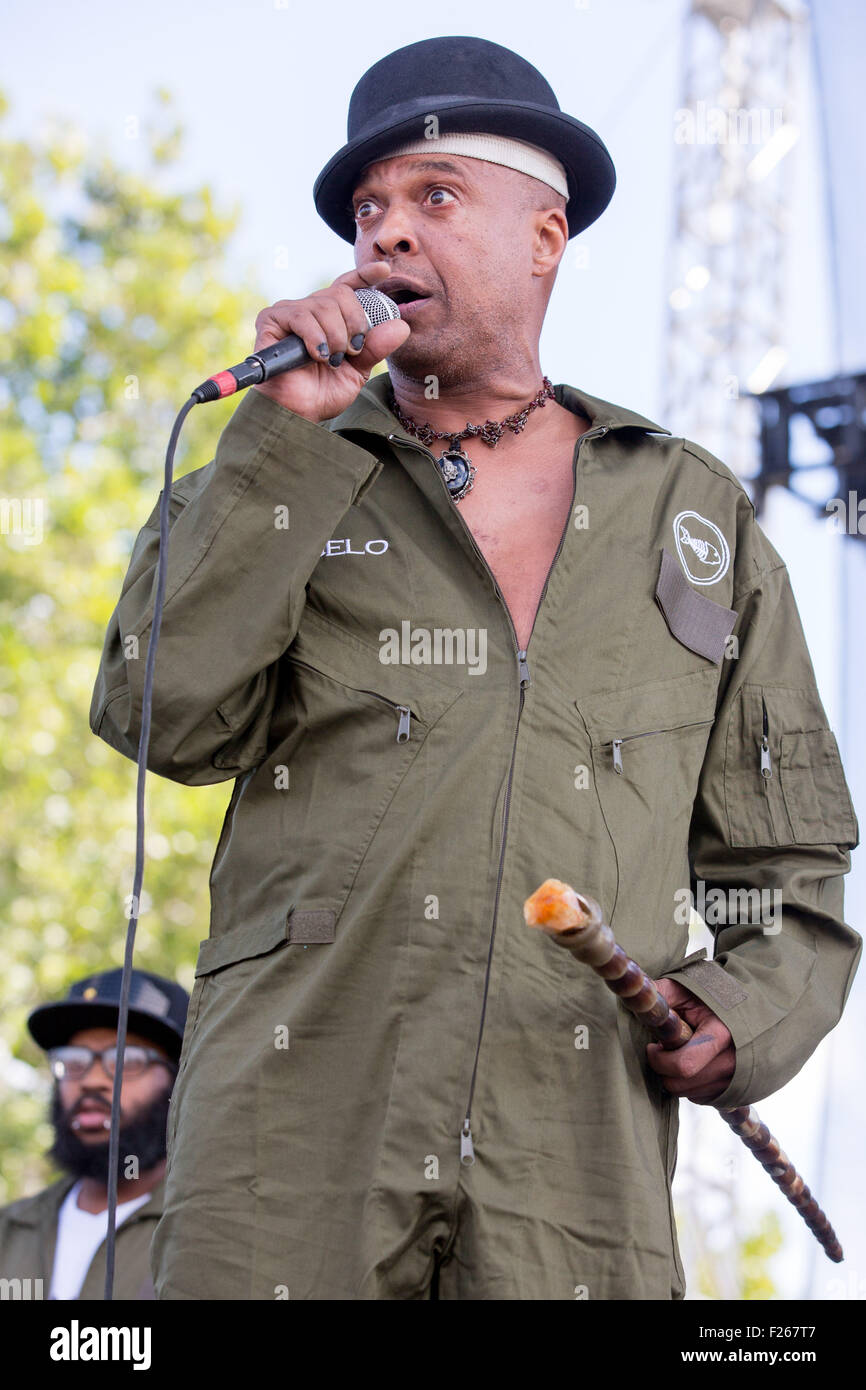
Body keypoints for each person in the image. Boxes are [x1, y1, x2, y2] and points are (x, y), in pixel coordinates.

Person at [90, 36, 860, 1300]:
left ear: (545, 236)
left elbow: (784, 869)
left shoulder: (694, 514)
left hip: (571, 1148)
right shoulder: (280, 463)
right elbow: (160, 714)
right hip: (293, 1143)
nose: (384, 234)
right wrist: (277, 450)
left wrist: (737, 1014)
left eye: (432, 197)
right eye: (367, 210)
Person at [0, 969, 188, 1300]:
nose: (91, 1080)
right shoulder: (10, 1229)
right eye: (73, 1061)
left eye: (127, 1060)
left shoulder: (207, 1227)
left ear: (179, 1081)